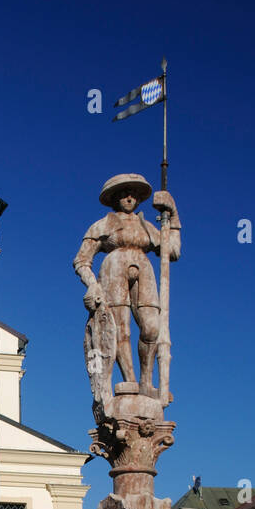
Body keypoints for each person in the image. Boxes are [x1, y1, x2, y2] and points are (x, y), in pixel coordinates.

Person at [74, 174, 180, 406]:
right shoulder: (103, 225)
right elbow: (81, 260)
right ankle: (130, 379)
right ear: (114, 198)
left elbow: (172, 251)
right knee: (119, 328)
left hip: (144, 267)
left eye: (133, 193)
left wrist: (172, 215)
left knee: (153, 327)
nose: (129, 197)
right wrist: (93, 284)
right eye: (123, 192)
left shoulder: (147, 226)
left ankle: (145, 381)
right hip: (114, 267)